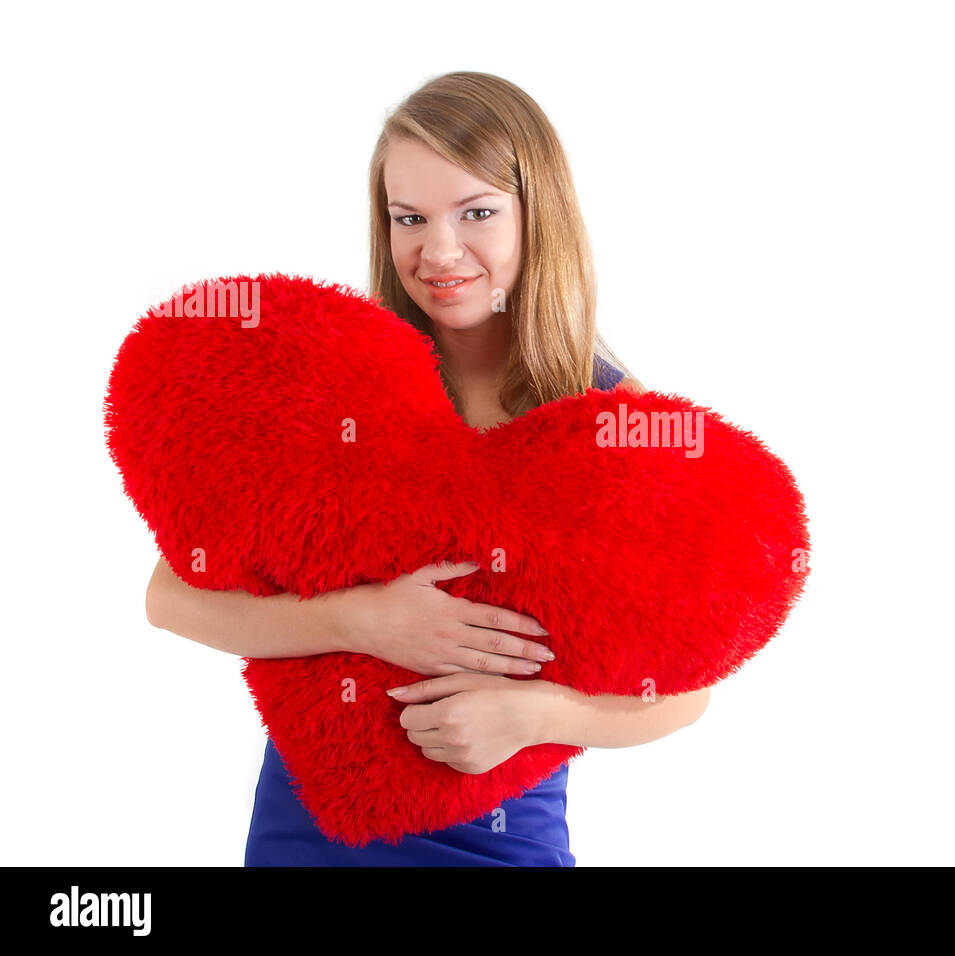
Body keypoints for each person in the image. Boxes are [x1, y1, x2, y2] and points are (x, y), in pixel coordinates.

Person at [144, 71, 711, 866]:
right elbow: (171, 597)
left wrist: (538, 716)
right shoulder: (333, 384)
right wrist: (361, 620)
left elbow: (687, 690)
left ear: (536, 214)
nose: (438, 252)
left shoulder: (612, 418)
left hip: (505, 837)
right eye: (409, 218)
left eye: (476, 213)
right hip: (315, 832)